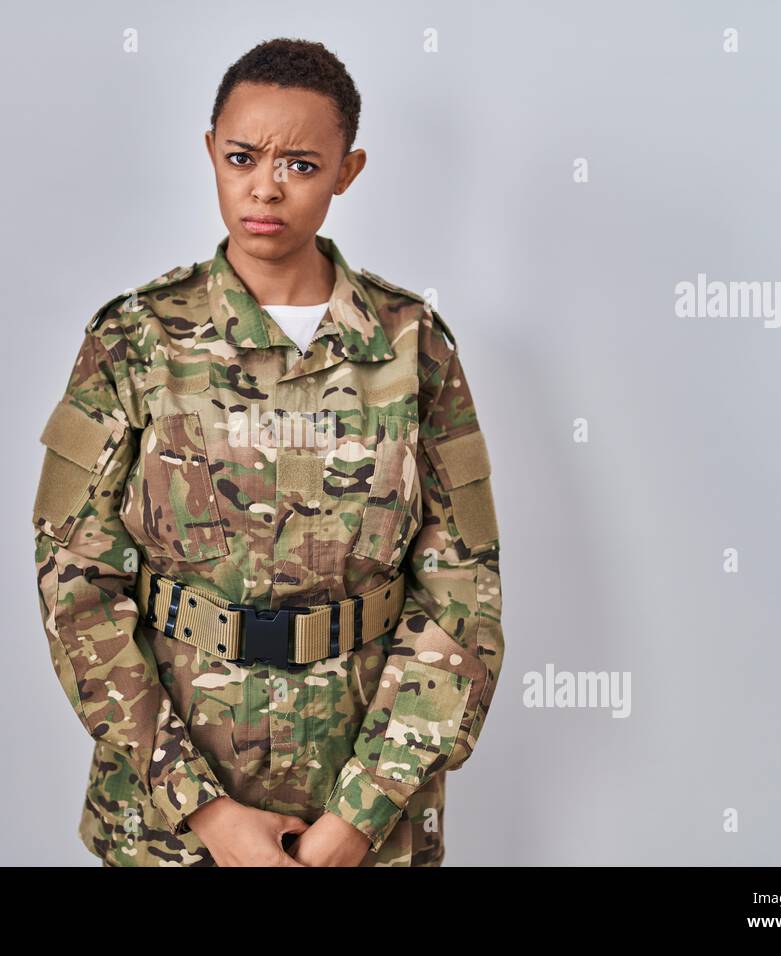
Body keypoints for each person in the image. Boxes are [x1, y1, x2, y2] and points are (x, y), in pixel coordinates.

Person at [32, 37, 505, 867]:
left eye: (301, 164)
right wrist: (204, 811)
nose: (265, 187)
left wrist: (359, 817)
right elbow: (76, 584)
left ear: (347, 172)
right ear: (210, 151)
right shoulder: (135, 340)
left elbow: (462, 591)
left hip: (367, 808)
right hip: (170, 816)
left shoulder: (413, 346)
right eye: (243, 157)